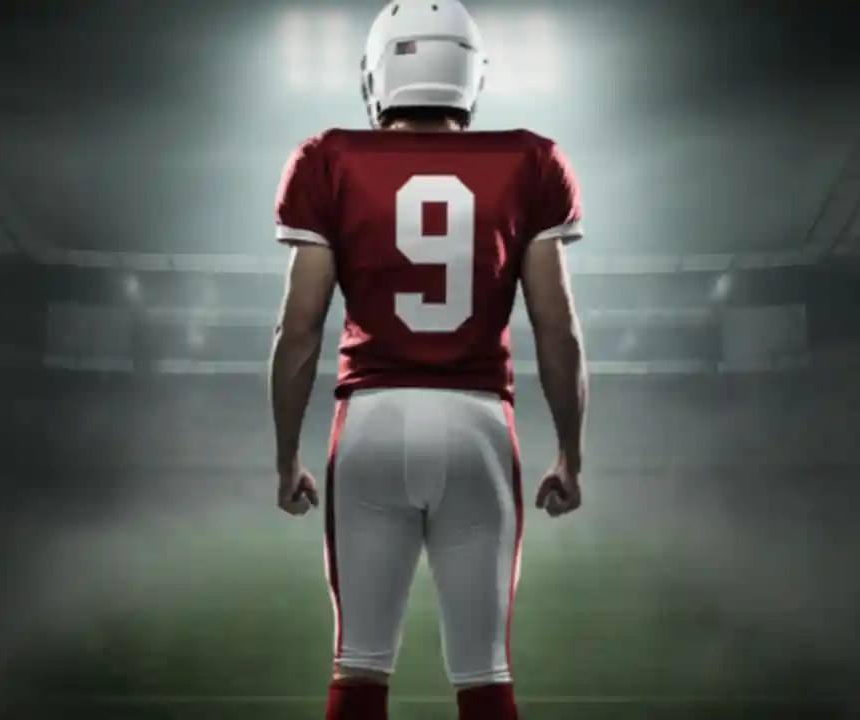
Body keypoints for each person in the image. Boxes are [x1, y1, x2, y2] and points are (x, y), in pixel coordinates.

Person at [267, 2, 587, 718]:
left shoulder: (326, 157)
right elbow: (557, 329)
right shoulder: (531, 160)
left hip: (371, 422)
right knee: (487, 677)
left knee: (357, 669)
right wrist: (571, 452)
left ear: (378, 74)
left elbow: (298, 331)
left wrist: (286, 456)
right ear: (470, 76)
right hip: (478, 426)